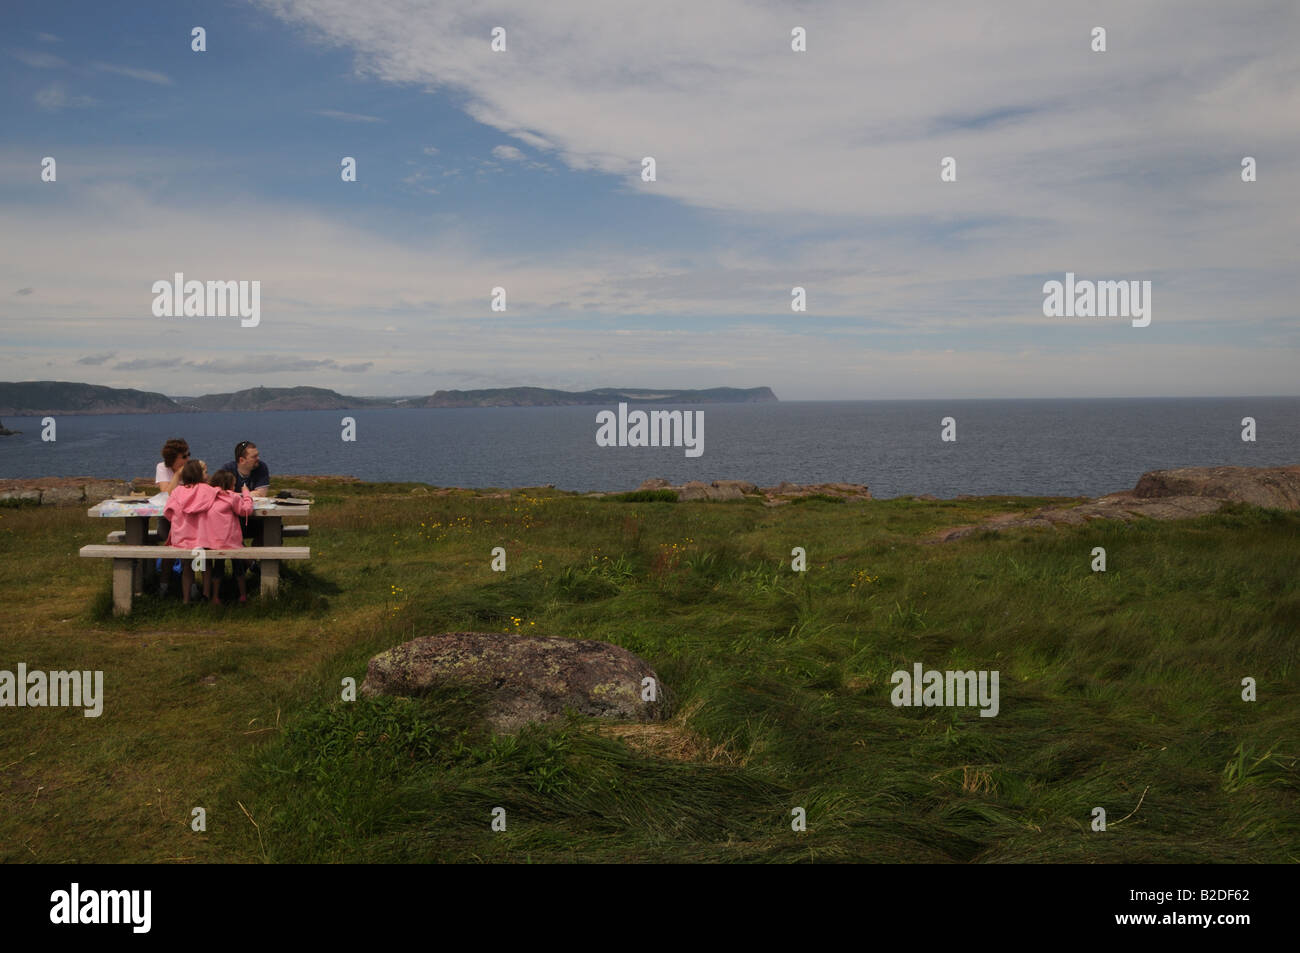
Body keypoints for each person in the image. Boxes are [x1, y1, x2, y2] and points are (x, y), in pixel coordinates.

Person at [196, 469, 253, 605]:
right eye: (233, 485)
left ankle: (215, 596)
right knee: (238, 565)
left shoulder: (207, 496)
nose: (234, 487)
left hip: (213, 542)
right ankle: (243, 595)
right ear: (228, 485)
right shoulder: (232, 497)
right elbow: (246, 510)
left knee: (218, 567)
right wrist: (246, 494)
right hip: (231, 542)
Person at [161, 459, 211, 604]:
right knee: (206, 564)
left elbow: (168, 513)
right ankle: (206, 595)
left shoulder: (177, 492)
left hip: (182, 540)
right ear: (199, 475)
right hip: (202, 540)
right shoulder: (207, 490)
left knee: (187, 567)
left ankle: (185, 599)